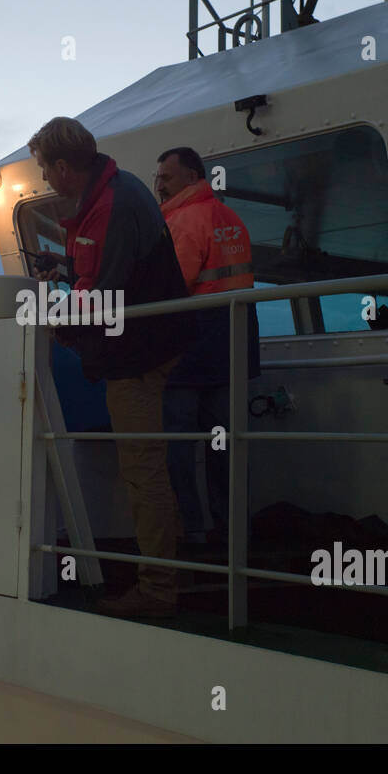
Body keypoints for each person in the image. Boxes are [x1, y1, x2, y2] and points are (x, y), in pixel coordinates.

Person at [28, 116, 191, 618]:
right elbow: (101, 276)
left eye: (45, 171)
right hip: (142, 349)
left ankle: (159, 591)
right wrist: (68, 277)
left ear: (61, 165)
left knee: (143, 472)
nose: (45, 182)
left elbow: (106, 298)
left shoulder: (112, 206)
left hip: (137, 357)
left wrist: (51, 319)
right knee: (148, 470)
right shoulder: (113, 192)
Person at [153, 147, 260, 545]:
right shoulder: (230, 218)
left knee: (178, 444)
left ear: (194, 177)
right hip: (231, 343)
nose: (160, 184)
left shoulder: (182, 222)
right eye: (159, 177)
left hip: (189, 349)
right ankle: (234, 530)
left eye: (166, 177)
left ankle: (192, 530)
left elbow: (171, 287)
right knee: (226, 444)